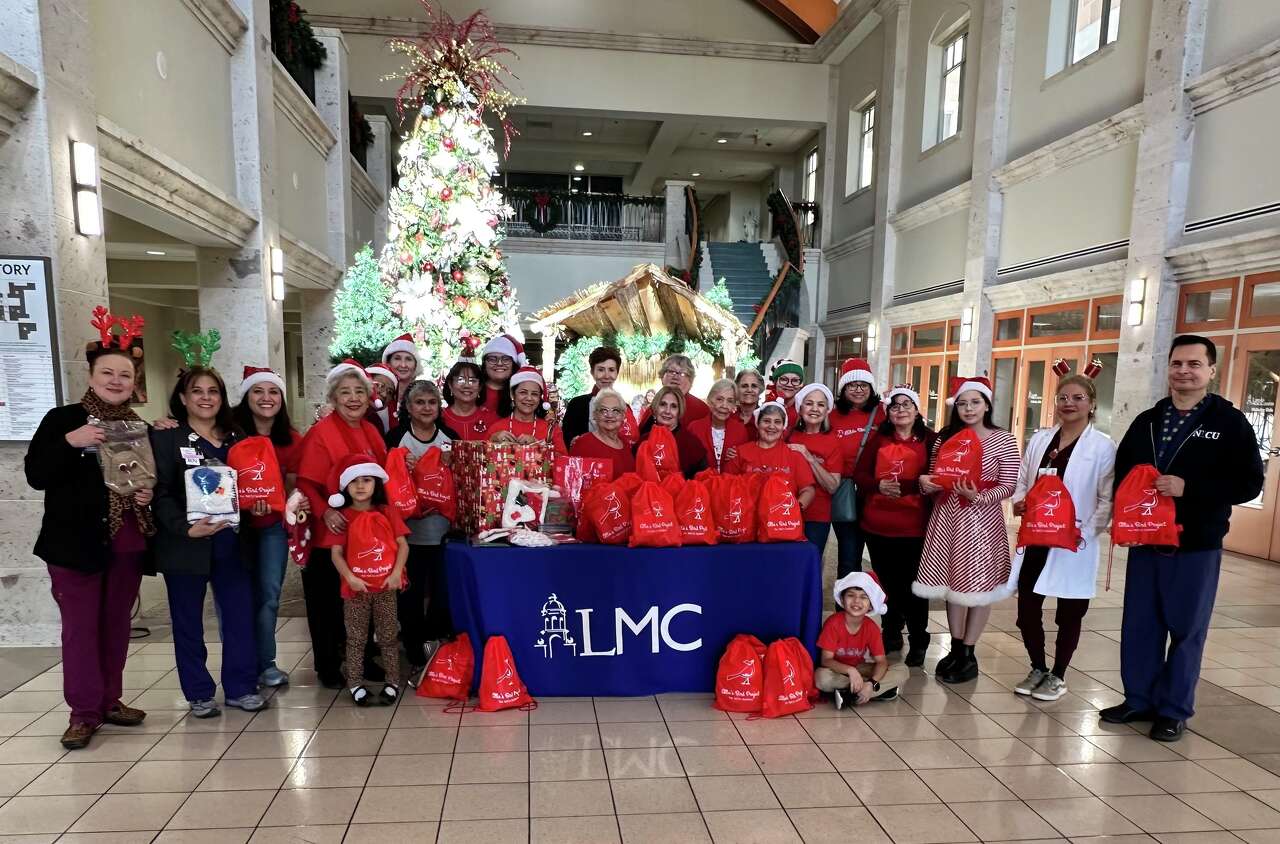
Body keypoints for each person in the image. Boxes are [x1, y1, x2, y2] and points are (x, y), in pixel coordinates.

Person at [1101, 335, 1263, 741]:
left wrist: (1190, 488)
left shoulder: (1229, 424)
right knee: (1140, 624)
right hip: (1145, 541)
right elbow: (1123, 474)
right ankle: (1139, 699)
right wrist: (1124, 520)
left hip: (1195, 545)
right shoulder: (1148, 420)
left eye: (1194, 364)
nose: (1184, 371)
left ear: (1211, 371)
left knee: (1187, 629)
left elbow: (1249, 483)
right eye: (1177, 364)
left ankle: (1174, 710)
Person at [24, 315, 154, 749]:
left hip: (126, 541)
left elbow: (144, 477)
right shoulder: (63, 420)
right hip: (74, 545)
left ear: (134, 382)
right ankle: (83, 713)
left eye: (125, 375)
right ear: (91, 376)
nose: (116, 381)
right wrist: (70, 442)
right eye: (108, 373)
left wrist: (146, 494)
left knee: (115, 626)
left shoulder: (138, 426)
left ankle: (109, 700)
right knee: (80, 630)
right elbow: (36, 475)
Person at [151, 366, 267, 718]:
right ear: (183, 398)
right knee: (188, 621)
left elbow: (251, 482)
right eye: (197, 391)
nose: (206, 398)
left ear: (222, 397)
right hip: (186, 543)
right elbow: (160, 493)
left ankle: (241, 687)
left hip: (232, 542)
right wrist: (185, 528)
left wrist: (258, 502)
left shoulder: (237, 436)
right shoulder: (167, 437)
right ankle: (199, 692)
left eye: (213, 391)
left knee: (239, 616)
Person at [1010, 370, 1116, 702]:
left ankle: (1058, 675)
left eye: (1078, 398)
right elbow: (1023, 480)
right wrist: (1019, 502)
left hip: (1074, 542)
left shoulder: (1102, 447)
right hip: (1038, 537)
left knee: (1069, 612)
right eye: (1063, 398)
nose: (1069, 403)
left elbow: (1107, 498)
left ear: (1092, 404)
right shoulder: (1041, 439)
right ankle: (1037, 667)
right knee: (1027, 608)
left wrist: (1085, 533)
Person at [915, 377, 1020, 685]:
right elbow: (936, 478)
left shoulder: (1003, 439)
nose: (969, 408)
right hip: (946, 518)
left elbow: (1009, 485)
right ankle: (957, 646)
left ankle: (970, 653)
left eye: (975, 402)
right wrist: (926, 484)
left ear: (987, 405)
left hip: (981, 522)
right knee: (952, 584)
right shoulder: (945, 438)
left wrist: (979, 497)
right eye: (962, 403)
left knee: (979, 586)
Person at [296, 360, 388, 688]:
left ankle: (361, 658)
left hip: (363, 533)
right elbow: (306, 482)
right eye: (345, 392)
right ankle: (328, 664)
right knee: (326, 603)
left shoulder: (371, 431)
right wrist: (326, 512)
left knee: (361, 598)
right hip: (330, 531)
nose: (353, 398)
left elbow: (382, 478)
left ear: (368, 397)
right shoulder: (321, 433)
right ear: (333, 398)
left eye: (359, 391)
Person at [231, 366, 305, 689]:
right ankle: (241, 665)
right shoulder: (229, 434)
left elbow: (292, 488)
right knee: (236, 597)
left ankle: (266, 663)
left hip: (272, 528)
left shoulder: (292, 440)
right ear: (246, 396)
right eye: (258, 391)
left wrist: (290, 504)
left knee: (269, 597)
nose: (266, 398)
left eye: (273, 391)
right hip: (233, 528)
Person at [853, 385, 936, 667]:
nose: (900, 410)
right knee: (887, 582)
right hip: (877, 526)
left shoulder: (930, 440)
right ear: (888, 413)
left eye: (906, 404)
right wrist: (878, 485)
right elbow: (860, 474)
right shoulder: (878, 439)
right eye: (895, 406)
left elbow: (938, 477)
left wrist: (907, 486)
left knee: (914, 585)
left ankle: (919, 638)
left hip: (915, 527)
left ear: (917, 410)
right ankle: (891, 632)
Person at [385, 380, 458, 676]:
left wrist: (452, 465)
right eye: (419, 402)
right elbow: (383, 481)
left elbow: (463, 480)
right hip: (407, 536)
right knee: (410, 594)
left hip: (442, 533)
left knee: (442, 592)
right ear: (408, 407)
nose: (426, 408)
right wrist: (399, 465)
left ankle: (435, 642)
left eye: (432, 402)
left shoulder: (450, 439)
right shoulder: (395, 438)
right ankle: (414, 646)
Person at [327, 456, 410, 705]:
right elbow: (336, 554)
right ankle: (355, 682)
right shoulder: (344, 517)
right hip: (356, 590)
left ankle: (392, 681)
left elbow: (403, 545)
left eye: (366, 480)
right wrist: (350, 578)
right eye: (354, 481)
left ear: (376, 484)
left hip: (386, 587)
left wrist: (396, 573)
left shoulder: (387, 512)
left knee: (388, 636)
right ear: (346, 486)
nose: (360, 486)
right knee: (356, 638)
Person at [816, 573, 909, 708]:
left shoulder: (871, 628)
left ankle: (856, 692)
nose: (856, 601)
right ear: (842, 599)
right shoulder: (833, 623)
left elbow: (881, 662)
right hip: (837, 670)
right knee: (821, 677)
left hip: (859, 668)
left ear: (871, 605)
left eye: (864, 597)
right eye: (851, 595)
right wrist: (850, 671)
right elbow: (826, 661)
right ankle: (874, 692)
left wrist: (872, 682)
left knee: (902, 670)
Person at [829, 358, 885, 578]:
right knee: (849, 557)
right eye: (852, 385)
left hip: (875, 494)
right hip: (845, 492)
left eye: (864, 385)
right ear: (844, 388)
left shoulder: (883, 413)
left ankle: (879, 599)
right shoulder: (831, 416)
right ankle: (847, 600)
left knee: (881, 558)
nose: (858, 389)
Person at [724, 400, 816, 508]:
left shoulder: (794, 455)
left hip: (783, 517)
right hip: (746, 515)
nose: (771, 426)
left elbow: (808, 490)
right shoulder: (740, 453)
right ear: (758, 424)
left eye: (777, 422)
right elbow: (726, 486)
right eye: (766, 421)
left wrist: (795, 510)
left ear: (783, 427)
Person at [788, 383, 845, 554]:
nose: (814, 409)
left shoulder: (832, 442)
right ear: (800, 408)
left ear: (827, 410)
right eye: (809, 403)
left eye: (820, 405)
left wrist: (809, 458)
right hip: (786, 511)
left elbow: (833, 486)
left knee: (811, 563)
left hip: (817, 517)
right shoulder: (788, 436)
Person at [562, 347, 638, 449]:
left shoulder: (624, 407)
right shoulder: (577, 404)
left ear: (617, 373)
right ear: (592, 372)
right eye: (601, 370)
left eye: (611, 370)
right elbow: (566, 439)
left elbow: (632, 443)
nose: (606, 376)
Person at [488, 366, 567, 453]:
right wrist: (492, 442)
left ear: (539, 398)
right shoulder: (496, 428)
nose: (529, 398)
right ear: (512, 394)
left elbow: (564, 459)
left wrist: (539, 446)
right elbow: (481, 456)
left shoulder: (551, 429)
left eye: (534, 394)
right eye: (523, 392)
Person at [636, 386, 708, 478]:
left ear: (679, 412)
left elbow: (702, 479)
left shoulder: (692, 444)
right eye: (663, 404)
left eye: (674, 406)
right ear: (655, 408)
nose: (667, 411)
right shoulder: (643, 440)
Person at [569, 387, 636, 479]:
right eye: (603, 410)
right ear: (595, 415)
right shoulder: (583, 443)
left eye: (615, 410)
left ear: (623, 416)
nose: (610, 415)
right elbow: (573, 481)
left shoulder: (625, 443)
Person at [686, 379, 750, 473]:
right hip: (701, 480)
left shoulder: (740, 430)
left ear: (734, 405)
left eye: (730, 401)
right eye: (719, 399)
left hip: (731, 481)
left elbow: (745, 465)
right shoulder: (694, 428)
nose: (724, 405)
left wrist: (737, 457)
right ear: (710, 401)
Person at [441, 358, 498, 441]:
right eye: (460, 380)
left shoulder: (493, 419)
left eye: (473, 381)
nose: (467, 385)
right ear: (450, 385)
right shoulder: (439, 418)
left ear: (480, 386)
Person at [641, 355, 709, 424]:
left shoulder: (701, 410)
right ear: (662, 376)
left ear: (690, 381)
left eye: (682, 373)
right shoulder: (653, 406)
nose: (676, 377)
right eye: (671, 371)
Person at [480, 333, 524, 415]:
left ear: (513, 364)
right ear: (484, 364)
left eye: (506, 359)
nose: (499, 363)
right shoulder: (473, 390)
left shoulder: (522, 392)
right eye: (492, 359)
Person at [767, 359, 805, 428]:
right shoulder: (766, 408)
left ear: (800, 384)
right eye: (784, 379)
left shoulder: (805, 410)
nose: (789, 384)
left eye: (795, 380)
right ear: (775, 382)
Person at [382, 333, 422, 397]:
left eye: (408, 359)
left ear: (415, 365)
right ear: (388, 363)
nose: (403, 365)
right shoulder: (376, 393)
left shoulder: (424, 395)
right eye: (397, 359)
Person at [364, 363, 398, 434]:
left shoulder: (377, 422)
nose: (384, 395)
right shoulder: (344, 410)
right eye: (380, 385)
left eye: (389, 392)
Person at [734, 369, 764, 439]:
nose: (749, 390)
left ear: (760, 390)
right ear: (737, 389)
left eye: (754, 386)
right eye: (744, 386)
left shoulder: (766, 418)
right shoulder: (728, 417)